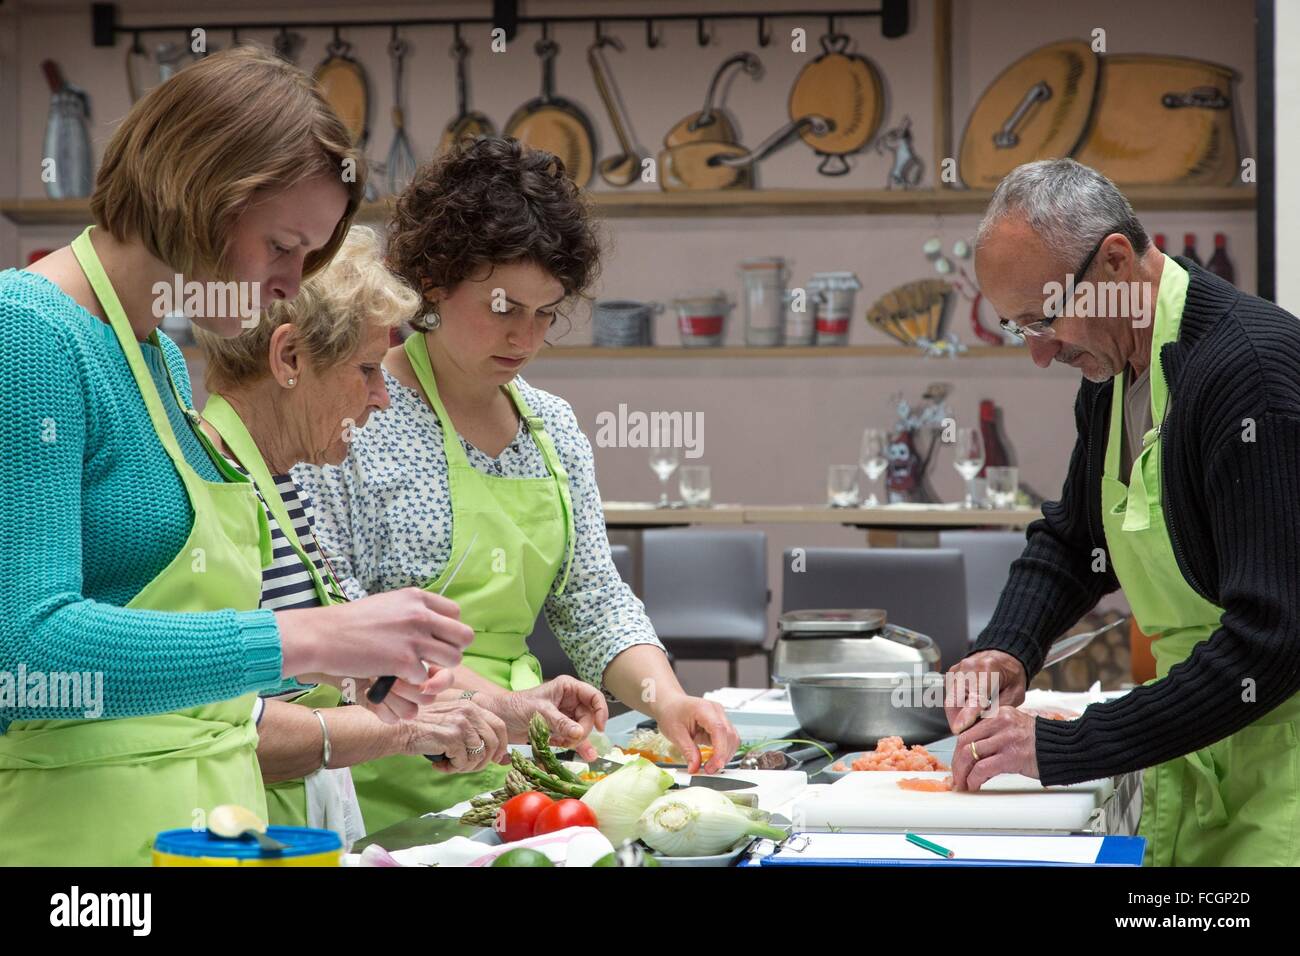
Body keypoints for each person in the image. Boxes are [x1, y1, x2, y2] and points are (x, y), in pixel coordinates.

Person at [0, 48, 470, 866]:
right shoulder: (30, 335)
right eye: (283, 246)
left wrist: (346, 665)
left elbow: (167, 640)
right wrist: (310, 637)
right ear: (197, 192)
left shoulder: (154, 357)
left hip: (202, 832)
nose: (293, 283)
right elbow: (25, 652)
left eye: (310, 256)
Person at [295, 137, 741, 831]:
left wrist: (668, 699)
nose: (525, 337)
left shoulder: (551, 427)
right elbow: (335, 621)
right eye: (504, 307)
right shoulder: (355, 412)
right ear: (434, 284)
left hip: (521, 784)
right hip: (382, 778)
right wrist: (493, 704)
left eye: (546, 312)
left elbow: (592, 600)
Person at [948, 158, 1300, 865]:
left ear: (1114, 260)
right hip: (1197, 746)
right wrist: (1009, 645)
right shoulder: (1116, 372)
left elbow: (1275, 637)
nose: (1041, 354)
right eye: (1021, 329)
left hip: (1283, 767)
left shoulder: (1249, 374)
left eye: (1045, 319)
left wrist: (1064, 746)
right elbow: (1076, 541)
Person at [196, 225, 516, 847]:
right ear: (289, 359)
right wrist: (405, 735)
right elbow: (223, 725)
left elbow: (346, 673)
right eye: (367, 369)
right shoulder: (213, 491)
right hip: (230, 835)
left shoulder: (279, 482)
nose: (382, 398)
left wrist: (516, 711)